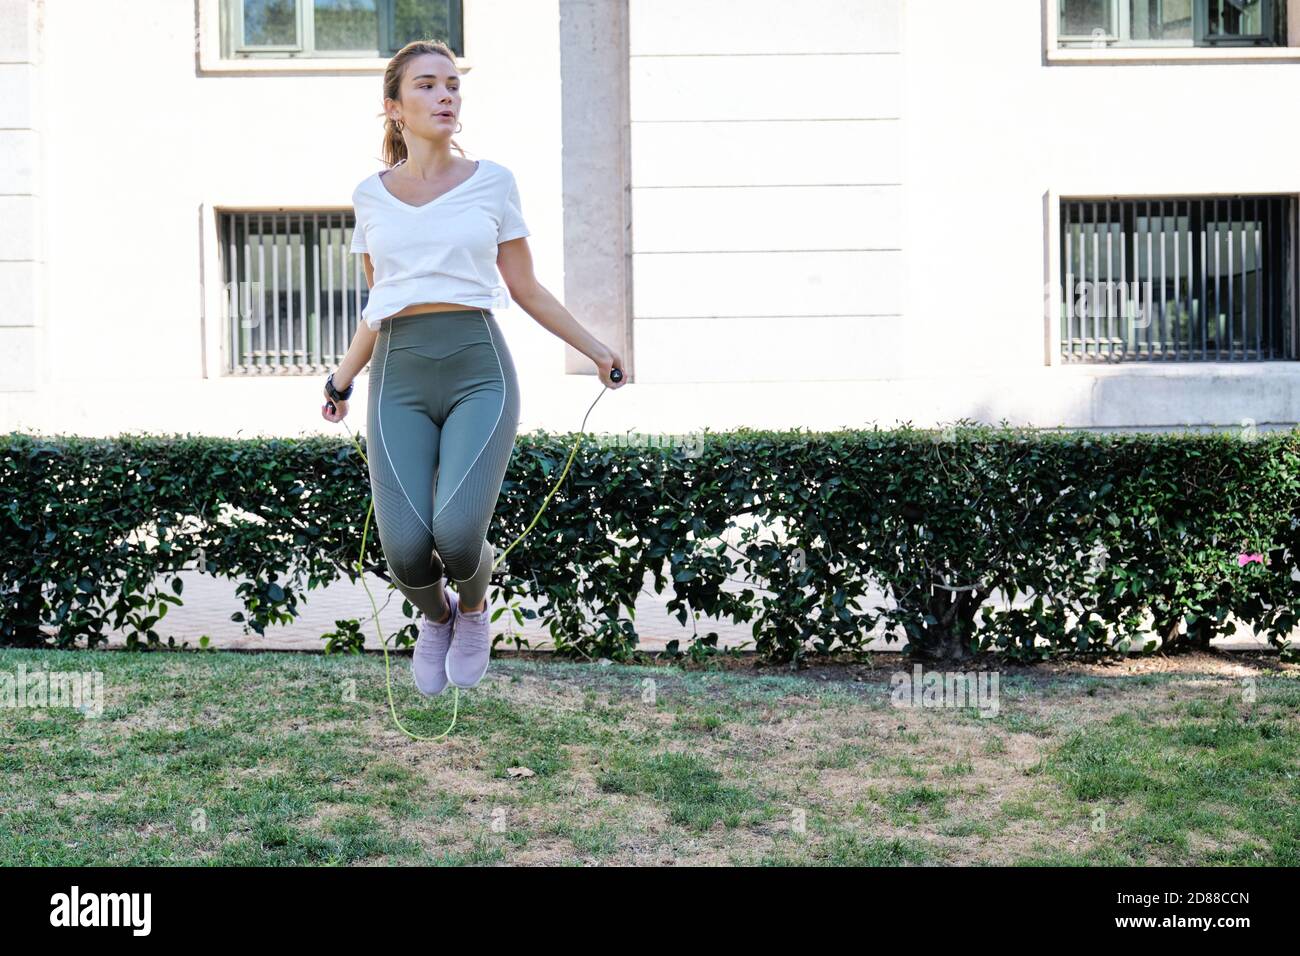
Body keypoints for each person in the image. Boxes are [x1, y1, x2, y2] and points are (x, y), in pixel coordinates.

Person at [319, 38, 625, 696]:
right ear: (394, 107)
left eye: (453, 85)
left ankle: (476, 610)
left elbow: (527, 288)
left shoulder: (493, 182)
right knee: (404, 549)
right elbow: (379, 301)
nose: (446, 96)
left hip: (477, 369)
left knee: (458, 536)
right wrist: (341, 380)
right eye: (427, 85)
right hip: (397, 373)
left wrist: (597, 349)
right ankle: (437, 618)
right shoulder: (369, 196)